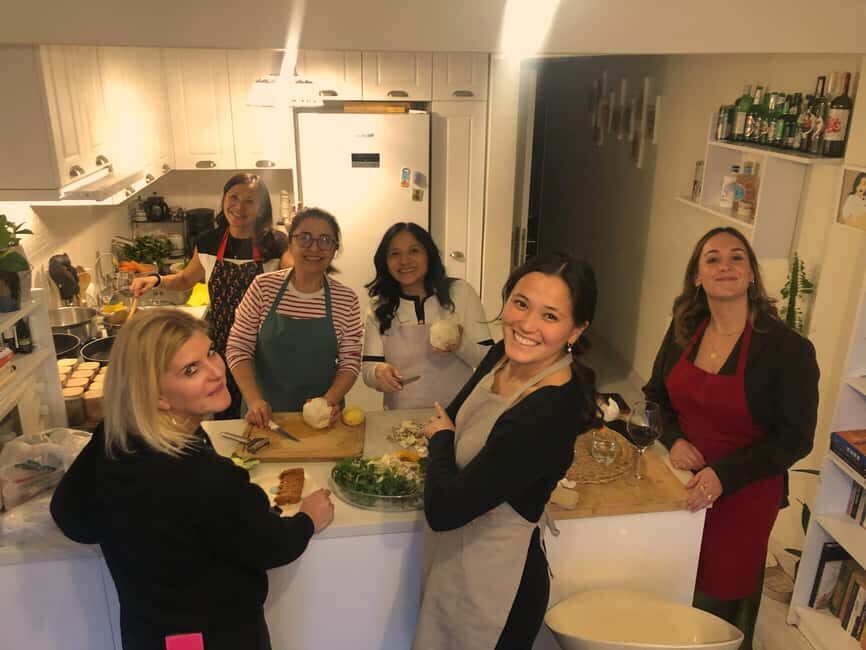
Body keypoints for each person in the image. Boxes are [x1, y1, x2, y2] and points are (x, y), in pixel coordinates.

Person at [50, 309, 333, 650]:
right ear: (157, 395)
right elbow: (272, 546)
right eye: (190, 370)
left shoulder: (114, 436)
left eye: (211, 352)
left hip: (146, 634)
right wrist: (308, 518)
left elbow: (71, 518)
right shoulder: (207, 477)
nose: (216, 372)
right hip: (221, 636)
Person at [413, 252, 601, 649]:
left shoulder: (547, 409)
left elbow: (444, 508)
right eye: (520, 303)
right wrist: (459, 469)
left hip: (498, 590)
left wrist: (443, 442)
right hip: (458, 566)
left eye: (550, 316)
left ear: (575, 330)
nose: (527, 325)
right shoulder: (502, 354)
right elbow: (454, 415)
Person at [643, 227, 819, 649]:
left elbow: (796, 439)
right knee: (669, 585)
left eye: (737, 257)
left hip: (745, 490)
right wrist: (675, 438)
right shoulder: (684, 329)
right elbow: (655, 397)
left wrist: (723, 474)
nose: (726, 265)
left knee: (715, 607)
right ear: (697, 277)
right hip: (678, 479)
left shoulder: (787, 350)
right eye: (713, 258)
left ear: (752, 274)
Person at [130, 173, 292, 419]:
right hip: (222, 350)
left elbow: (296, 280)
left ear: (261, 208)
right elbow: (185, 279)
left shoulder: (277, 244)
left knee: (265, 415)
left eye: (250, 201)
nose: (239, 207)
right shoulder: (209, 241)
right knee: (226, 418)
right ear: (224, 199)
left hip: (264, 352)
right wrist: (156, 279)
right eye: (233, 197)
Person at [226, 207, 362, 427]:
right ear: (290, 243)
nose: (315, 248)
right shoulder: (263, 288)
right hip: (264, 415)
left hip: (324, 418)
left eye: (326, 240)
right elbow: (238, 347)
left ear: (335, 249)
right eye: (305, 238)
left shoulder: (346, 299)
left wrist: (328, 402)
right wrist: (254, 400)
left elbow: (350, 361)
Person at [362, 222, 493, 409]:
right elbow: (368, 369)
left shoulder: (460, 292)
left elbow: (489, 362)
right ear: (385, 261)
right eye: (395, 253)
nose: (404, 260)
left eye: (414, 251)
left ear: (429, 255)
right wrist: (378, 373)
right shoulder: (378, 306)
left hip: (458, 412)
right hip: (401, 418)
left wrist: (460, 344)